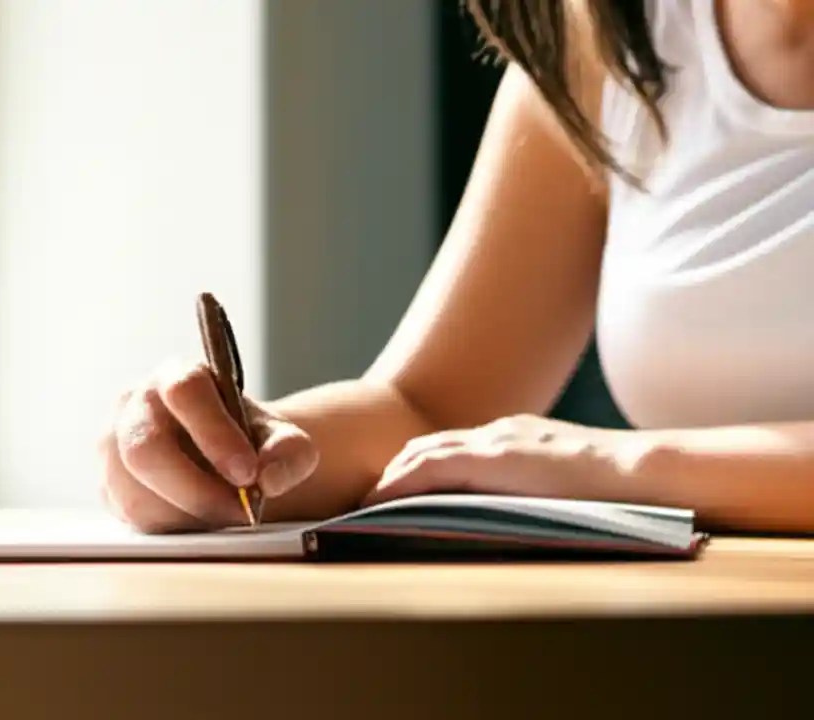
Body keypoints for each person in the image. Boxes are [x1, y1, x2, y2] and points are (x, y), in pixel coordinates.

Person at [98, 0, 814, 534]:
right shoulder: (609, 42)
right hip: (708, 640)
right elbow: (429, 412)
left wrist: (620, 469)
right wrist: (233, 453)